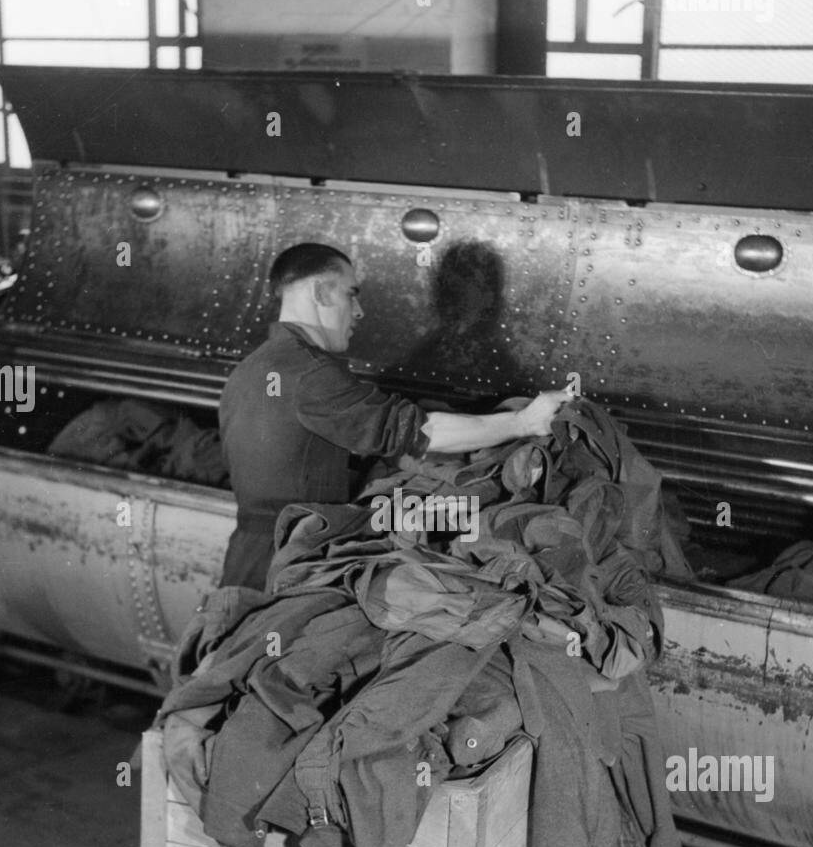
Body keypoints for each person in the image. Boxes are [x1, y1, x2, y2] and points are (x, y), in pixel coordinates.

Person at [218, 242, 575, 589]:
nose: (358, 311)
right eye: (350, 294)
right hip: (289, 561)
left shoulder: (251, 369)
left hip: (248, 554)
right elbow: (421, 432)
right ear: (320, 293)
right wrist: (524, 421)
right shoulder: (310, 373)